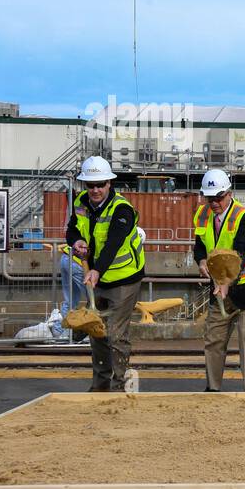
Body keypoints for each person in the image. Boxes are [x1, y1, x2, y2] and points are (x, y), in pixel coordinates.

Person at [65, 155, 145, 391]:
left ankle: (119, 385)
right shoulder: (81, 202)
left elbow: (113, 243)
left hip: (124, 279)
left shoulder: (122, 210)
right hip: (97, 278)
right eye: (91, 185)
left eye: (100, 184)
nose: (96, 190)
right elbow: (71, 229)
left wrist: (97, 269)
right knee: (96, 331)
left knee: (117, 334)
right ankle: (100, 385)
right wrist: (76, 241)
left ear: (110, 183)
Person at [194, 169, 245, 392]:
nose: (214, 203)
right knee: (213, 339)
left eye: (218, 197)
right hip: (221, 289)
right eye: (210, 198)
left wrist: (227, 282)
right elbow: (200, 244)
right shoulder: (203, 215)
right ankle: (212, 388)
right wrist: (201, 261)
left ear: (229, 193)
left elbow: (242, 253)